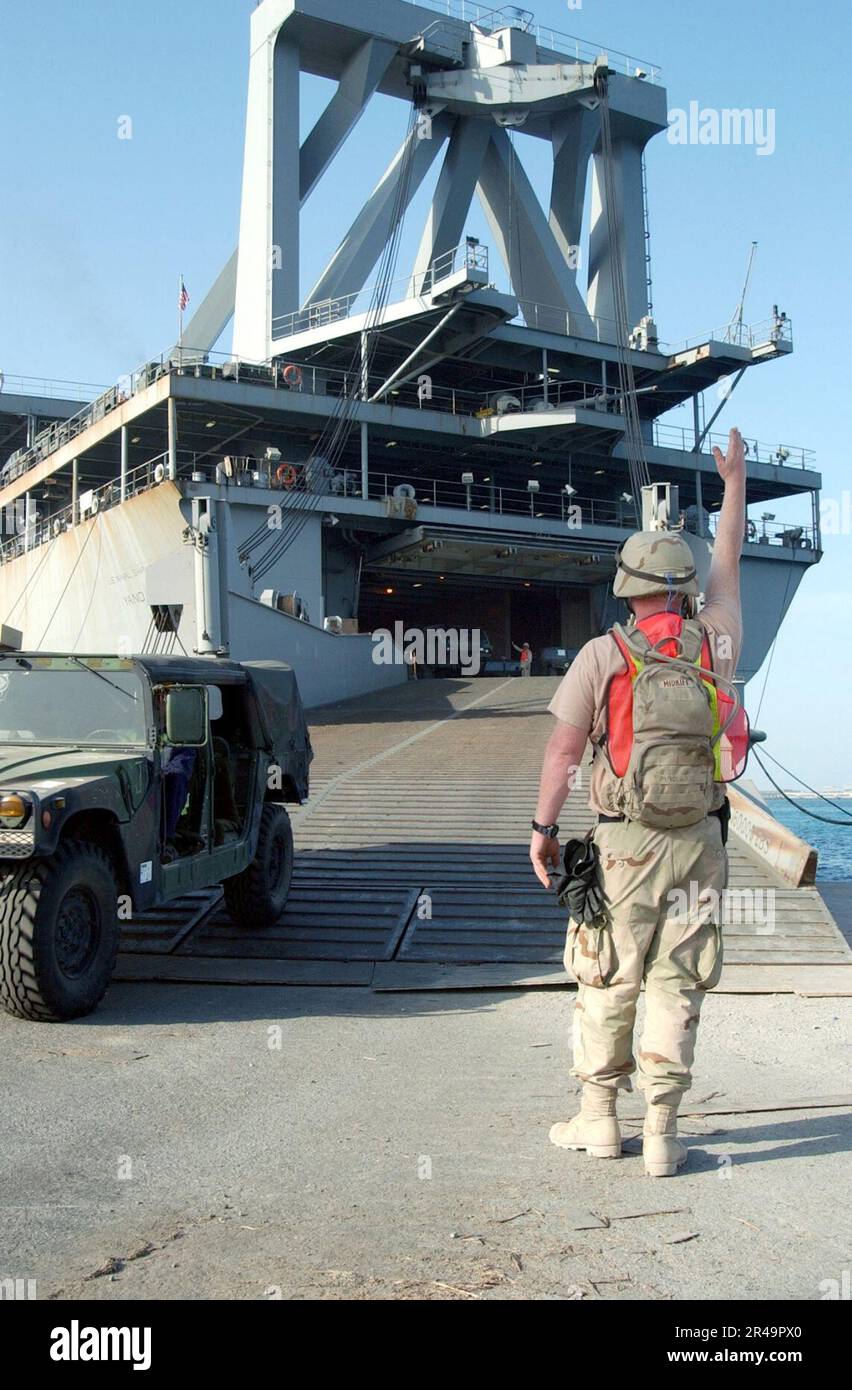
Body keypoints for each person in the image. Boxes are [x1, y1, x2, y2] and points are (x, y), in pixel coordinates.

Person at [530, 427, 746, 1177]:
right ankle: (661, 1133)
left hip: (624, 845)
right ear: (682, 589)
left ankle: (597, 1120)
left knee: (607, 974)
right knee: (676, 980)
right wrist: (733, 483)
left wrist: (543, 829)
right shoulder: (716, 643)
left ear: (626, 588)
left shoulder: (602, 656)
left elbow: (562, 756)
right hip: (700, 841)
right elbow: (729, 563)